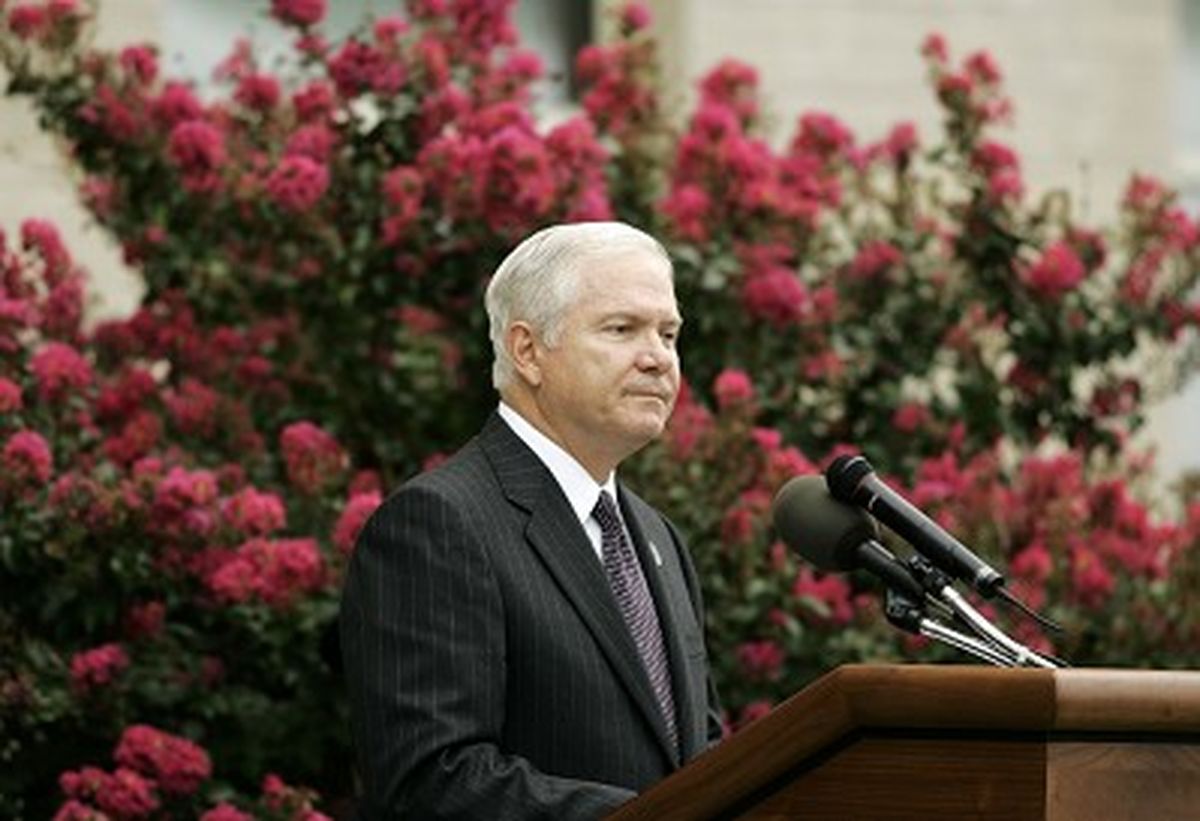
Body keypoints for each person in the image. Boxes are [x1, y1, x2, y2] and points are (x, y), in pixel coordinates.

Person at [340, 221, 724, 820]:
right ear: (527, 351)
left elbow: (702, 753)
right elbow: (430, 780)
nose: (657, 359)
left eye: (669, 334)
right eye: (622, 330)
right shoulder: (439, 524)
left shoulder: (656, 538)